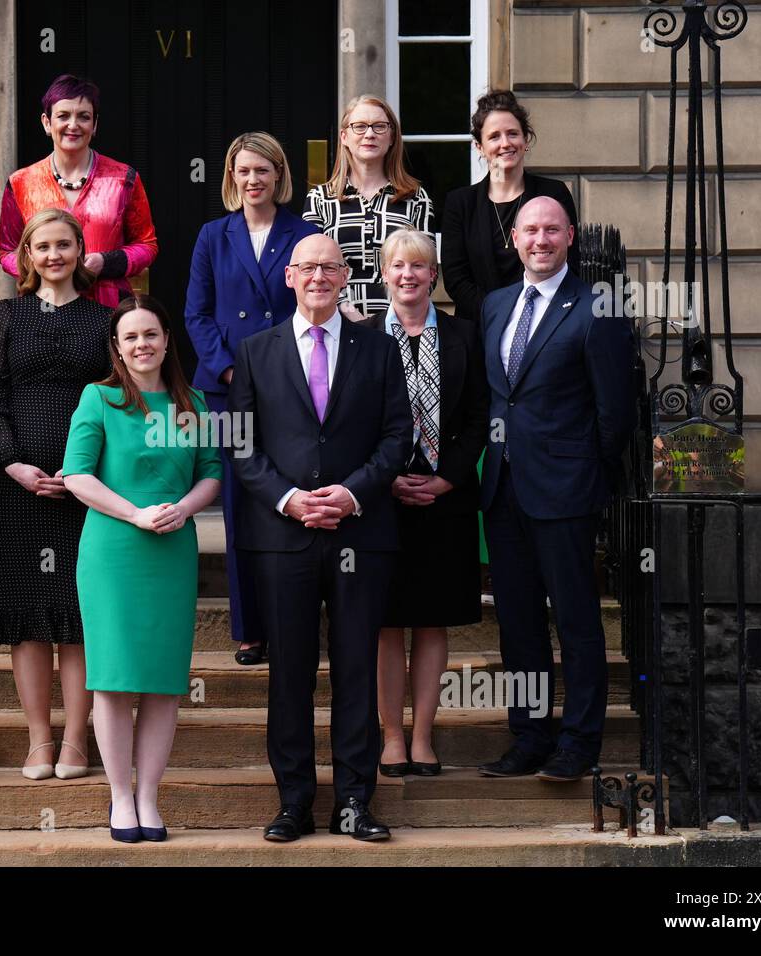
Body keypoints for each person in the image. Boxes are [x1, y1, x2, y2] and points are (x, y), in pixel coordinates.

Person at [227, 233, 412, 842]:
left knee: (357, 667)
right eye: (306, 267)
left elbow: (396, 437)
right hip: (282, 536)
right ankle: (295, 802)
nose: (317, 277)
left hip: (360, 529)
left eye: (330, 268)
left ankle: (356, 801)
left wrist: (351, 492)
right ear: (289, 277)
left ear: (346, 276)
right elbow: (241, 443)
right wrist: (289, 498)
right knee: (290, 673)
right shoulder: (254, 351)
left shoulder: (381, 350)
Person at [477, 197, 636, 782]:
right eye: (529, 230)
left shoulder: (599, 306)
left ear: (569, 236)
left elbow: (615, 412)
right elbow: (498, 397)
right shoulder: (496, 306)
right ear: (514, 239)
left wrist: (585, 476)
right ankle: (530, 736)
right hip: (503, 488)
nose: (540, 239)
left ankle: (580, 742)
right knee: (518, 625)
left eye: (551, 229)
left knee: (575, 621)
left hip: (565, 491)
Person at [62, 296, 222, 842]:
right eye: (130, 337)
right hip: (113, 551)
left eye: (150, 334)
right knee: (112, 679)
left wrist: (183, 507)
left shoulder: (193, 403)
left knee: (161, 683)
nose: (141, 345)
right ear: (117, 347)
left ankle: (150, 796)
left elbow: (212, 474)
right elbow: (77, 476)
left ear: (167, 339)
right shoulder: (99, 399)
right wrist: (133, 512)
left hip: (172, 551)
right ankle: (120, 796)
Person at [0, 209, 112, 781]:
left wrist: (83, 470)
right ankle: (39, 740)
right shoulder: (5, 316)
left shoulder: (106, 320)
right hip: (19, 490)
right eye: (42, 246)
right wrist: (14, 464)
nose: (53, 255)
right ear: (26, 256)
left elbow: (116, 399)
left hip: (87, 485)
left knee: (78, 615)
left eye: (64, 245)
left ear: (81, 251)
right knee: (27, 617)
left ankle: (77, 740)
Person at [184, 131, 321, 666]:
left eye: (263, 170)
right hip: (225, 390)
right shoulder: (212, 236)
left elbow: (312, 304)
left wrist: (275, 369)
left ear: (279, 175)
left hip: (289, 383)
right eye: (244, 170)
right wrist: (228, 368)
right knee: (241, 506)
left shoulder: (304, 233)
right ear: (231, 177)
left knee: (288, 498)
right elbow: (196, 313)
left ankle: (294, 619)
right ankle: (250, 627)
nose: (253, 180)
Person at [360, 230, 489, 778]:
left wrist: (447, 480)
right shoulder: (360, 337)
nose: (408, 275)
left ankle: (423, 737)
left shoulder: (466, 335)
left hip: (445, 500)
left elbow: (482, 416)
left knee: (432, 620)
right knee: (387, 622)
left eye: (419, 267)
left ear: (433, 275)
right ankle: (391, 737)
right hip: (381, 501)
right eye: (398, 266)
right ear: (383, 274)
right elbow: (351, 422)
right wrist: (382, 480)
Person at [0, 74, 158, 308]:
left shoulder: (124, 178)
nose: (73, 125)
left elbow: (147, 244)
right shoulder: (22, 182)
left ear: (94, 125)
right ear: (46, 122)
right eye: (63, 116)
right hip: (44, 306)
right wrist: (43, 267)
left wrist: (106, 262)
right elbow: (7, 250)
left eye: (84, 117)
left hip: (108, 309)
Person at [440, 89, 578, 326]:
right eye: (494, 136)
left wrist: (531, 312)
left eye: (513, 133)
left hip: (545, 325)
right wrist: (502, 312)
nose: (505, 143)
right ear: (479, 146)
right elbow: (456, 279)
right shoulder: (460, 204)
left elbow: (570, 261)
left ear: (525, 140)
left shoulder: (553, 194)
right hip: (479, 330)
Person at [302, 95, 433, 324]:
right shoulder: (320, 199)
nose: (370, 134)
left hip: (400, 323)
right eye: (359, 126)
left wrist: (389, 319)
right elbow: (312, 270)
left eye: (379, 126)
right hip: (337, 323)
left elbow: (427, 270)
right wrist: (352, 316)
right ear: (344, 136)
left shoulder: (416, 198)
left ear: (392, 136)